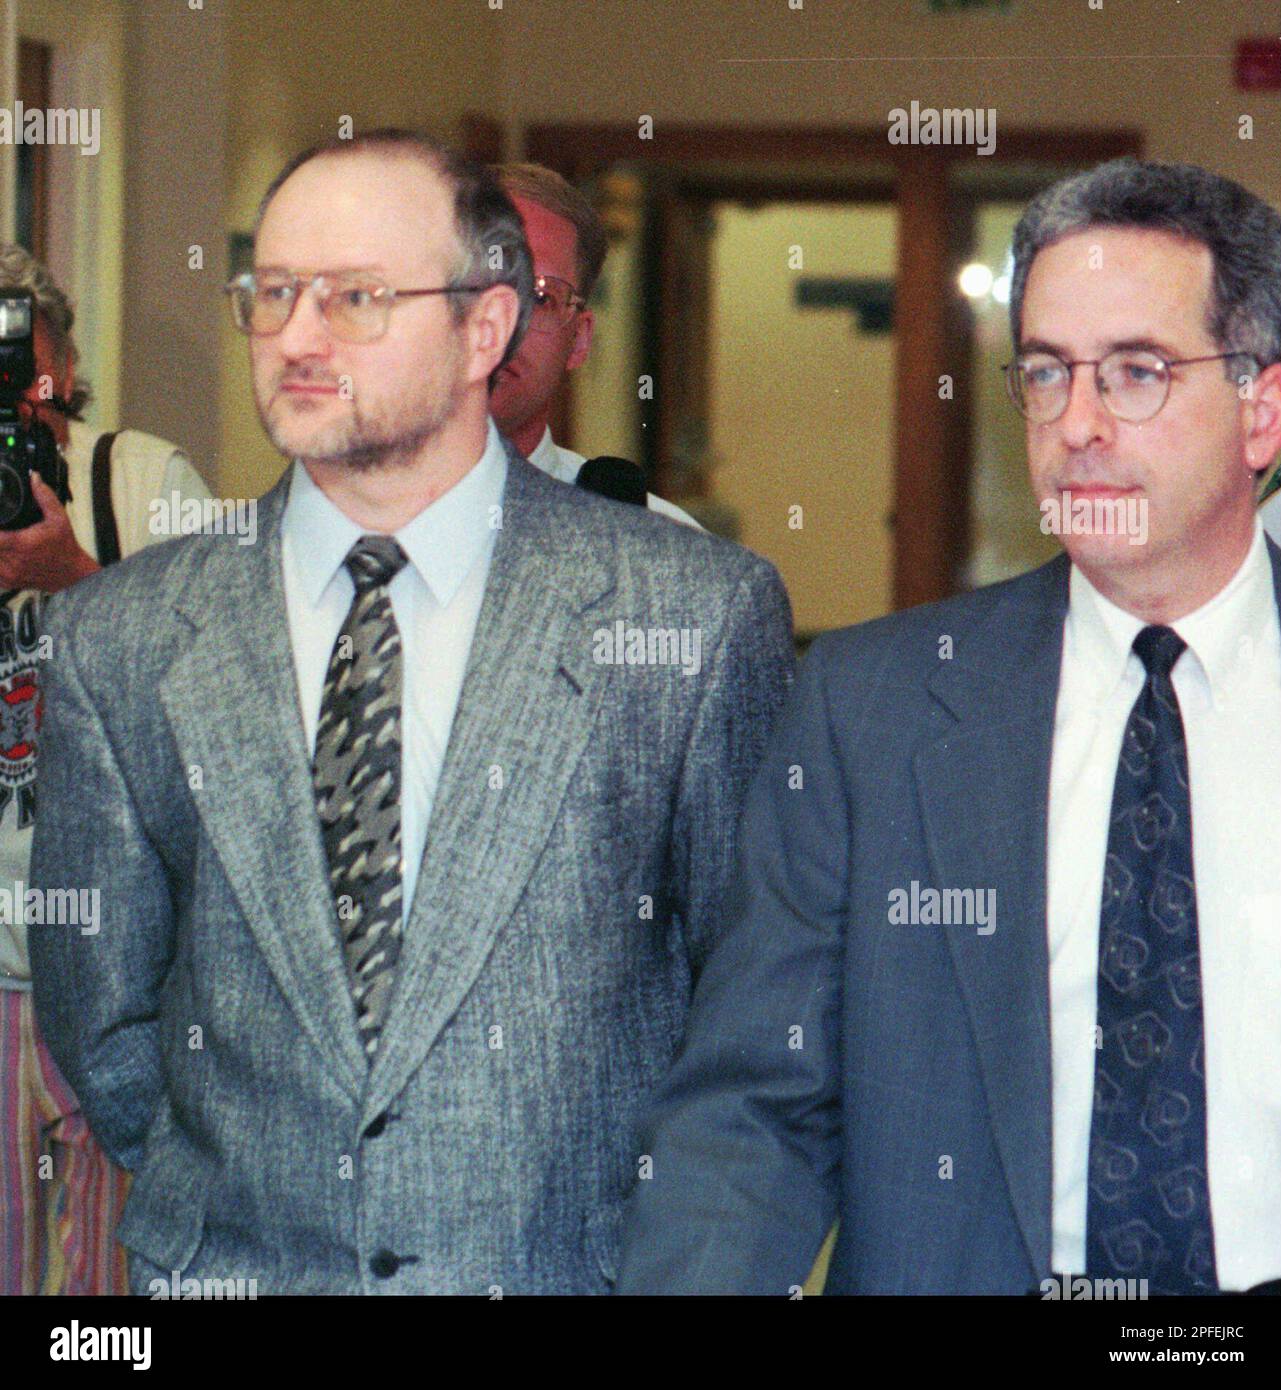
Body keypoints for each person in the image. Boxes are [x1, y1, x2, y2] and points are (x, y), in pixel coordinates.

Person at [28, 129, 794, 1294]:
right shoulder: (123, 636)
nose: (294, 335)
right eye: (273, 292)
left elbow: (751, 1022)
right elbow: (105, 1017)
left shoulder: (685, 613)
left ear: (485, 328)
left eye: (355, 297)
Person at [617, 159, 1281, 1296]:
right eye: (1043, 373)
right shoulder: (870, 707)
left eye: (1133, 373)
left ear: (1261, 410)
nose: (1076, 425)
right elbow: (755, 1114)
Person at [0, 243, 209, 1295]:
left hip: (125, 973)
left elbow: (227, 705)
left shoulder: (143, 480)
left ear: (63, 369)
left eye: (24, 376)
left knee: (115, 1300)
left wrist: (76, 579)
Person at [490, 162, 702, 529]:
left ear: (578, 339)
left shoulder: (659, 542)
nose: (500, 326)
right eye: (471, 287)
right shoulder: (357, 516)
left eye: (541, 298)